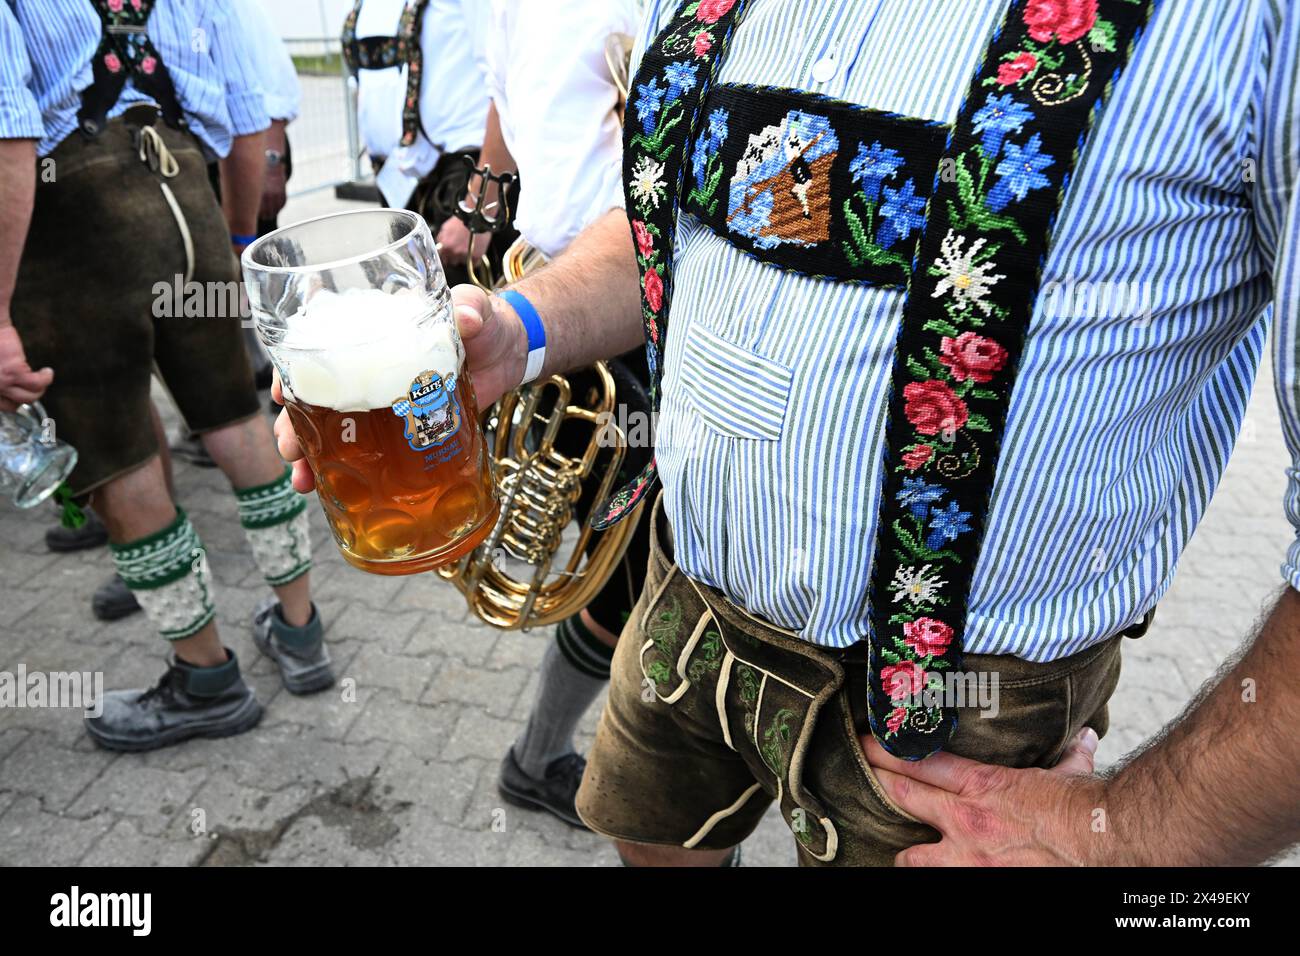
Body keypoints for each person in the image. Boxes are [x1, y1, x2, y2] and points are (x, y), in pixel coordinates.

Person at [280, 0, 1300, 866]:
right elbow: (699, 211)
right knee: (651, 839)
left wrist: (1120, 832)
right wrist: (520, 326)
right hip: (687, 602)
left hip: (956, 713)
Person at [0, 0, 334, 752]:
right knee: (235, 421)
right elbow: (254, 125)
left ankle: (205, 678)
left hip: (73, 209)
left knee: (117, 460)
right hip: (187, 188)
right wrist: (240, 242)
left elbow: (9, 131)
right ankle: (300, 629)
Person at [440, 0, 646, 829]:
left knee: (625, 564)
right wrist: (481, 217)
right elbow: (506, 100)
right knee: (625, 566)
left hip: (619, 297)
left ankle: (539, 758)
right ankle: (540, 760)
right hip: (582, 302)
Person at [341, 0, 493, 287]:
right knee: (406, 305)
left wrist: (479, 211)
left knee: (464, 317)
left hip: (462, 175)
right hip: (397, 177)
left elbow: (507, 89)